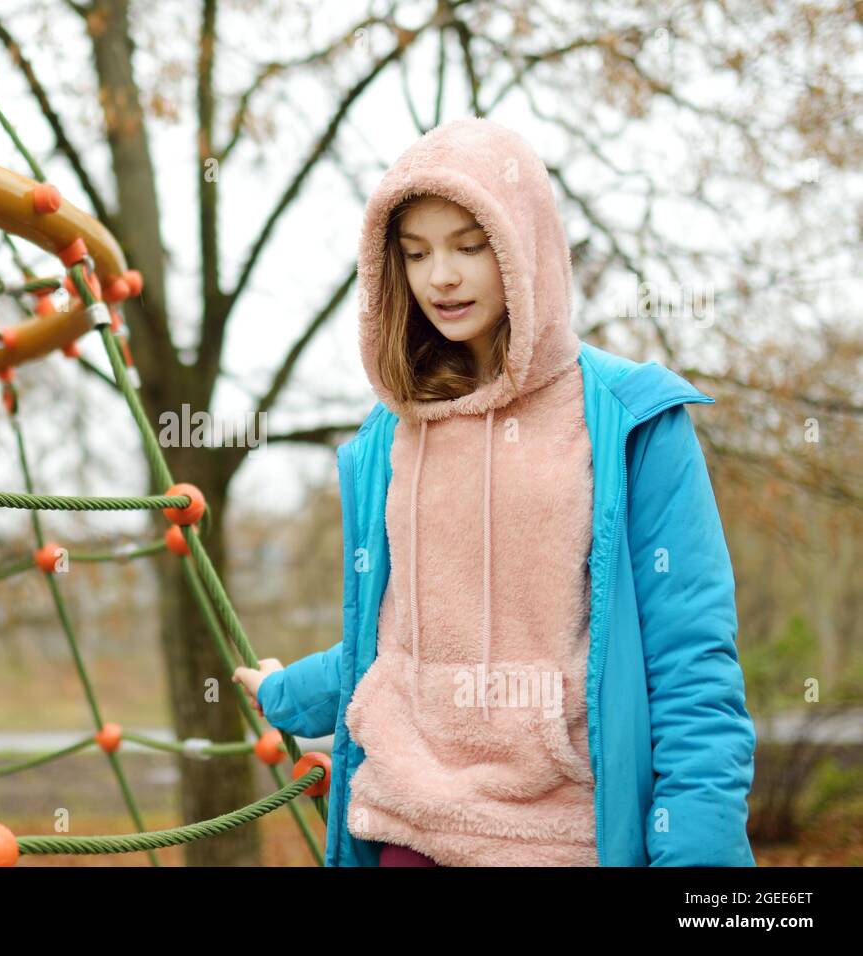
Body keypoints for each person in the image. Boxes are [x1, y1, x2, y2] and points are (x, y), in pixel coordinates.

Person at [233, 118, 756, 867]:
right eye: (416, 253)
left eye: (470, 245)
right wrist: (287, 694)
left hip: (560, 838)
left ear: (525, 244)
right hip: (405, 828)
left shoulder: (630, 420)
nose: (440, 275)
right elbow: (405, 644)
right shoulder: (390, 439)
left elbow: (690, 663)